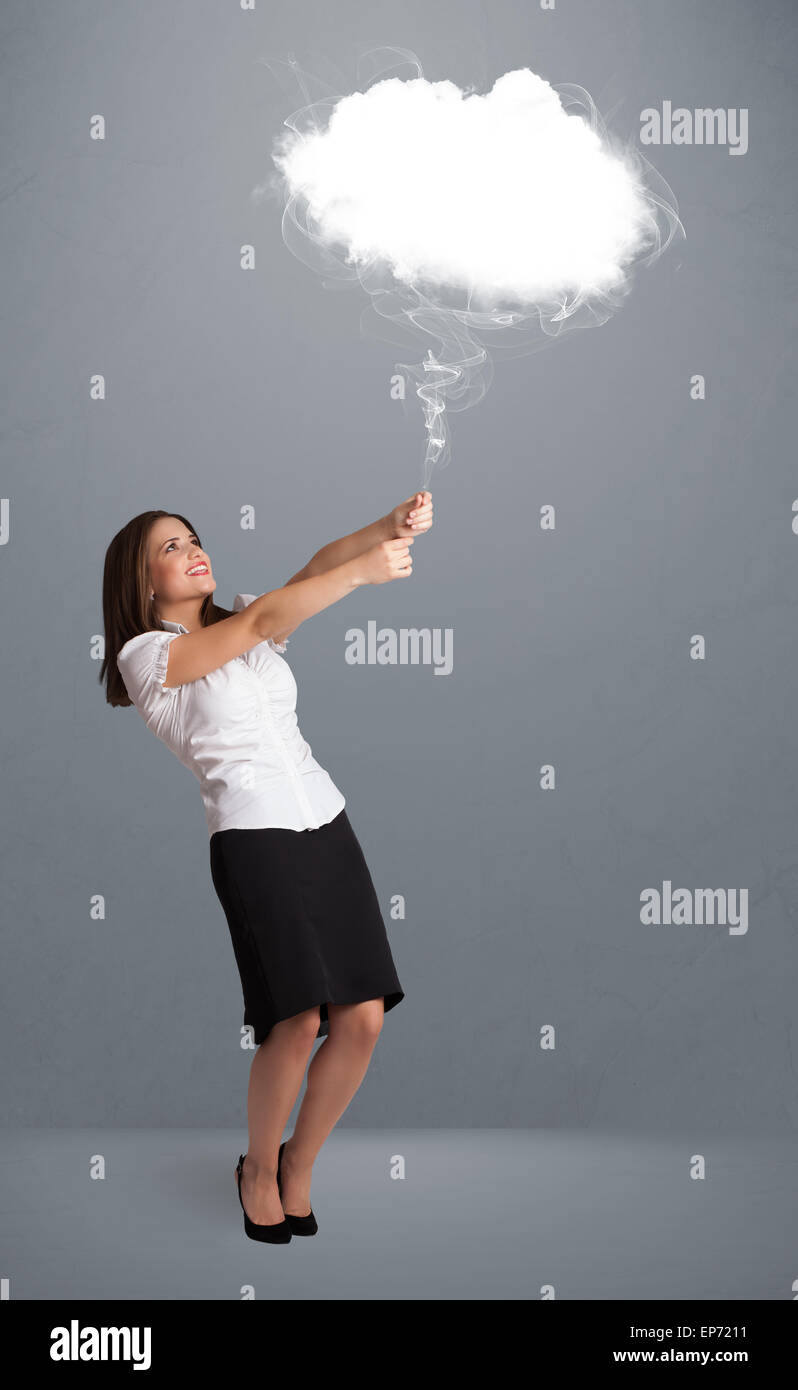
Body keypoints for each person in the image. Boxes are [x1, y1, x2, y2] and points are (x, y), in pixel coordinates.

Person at [101, 492, 433, 1242]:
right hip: (253, 837)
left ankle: (298, 1164)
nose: (193, 550)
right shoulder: (147, 656)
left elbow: (311, 572)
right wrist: (364, 575)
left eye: (193, 537)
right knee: (298, 1017)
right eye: (170, 547)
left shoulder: (249, 616)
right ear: (141, 582)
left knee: (363, 1019)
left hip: (325, 821)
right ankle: (257, 1169)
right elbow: (264, 622)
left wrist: (385, 528)